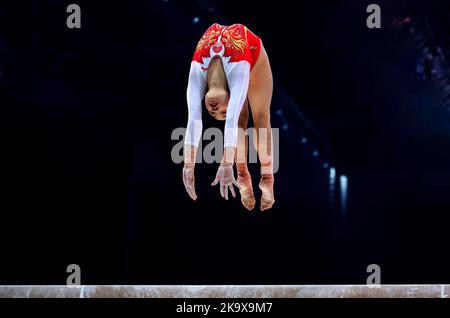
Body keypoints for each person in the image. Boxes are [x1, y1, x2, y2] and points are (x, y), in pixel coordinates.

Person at [183, 23, 275, 211]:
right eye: (222, 113)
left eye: (214, 114)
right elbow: (227, 120)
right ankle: (263, 177)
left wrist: (188, 164)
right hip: (252, 55)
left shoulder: (197, 71)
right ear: (232, 98)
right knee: (259, 117)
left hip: (247, 59)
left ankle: (251, 176)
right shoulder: (238, 70)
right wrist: (191, 165)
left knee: (248, 118)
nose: (216, 111)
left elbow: (194, 117)